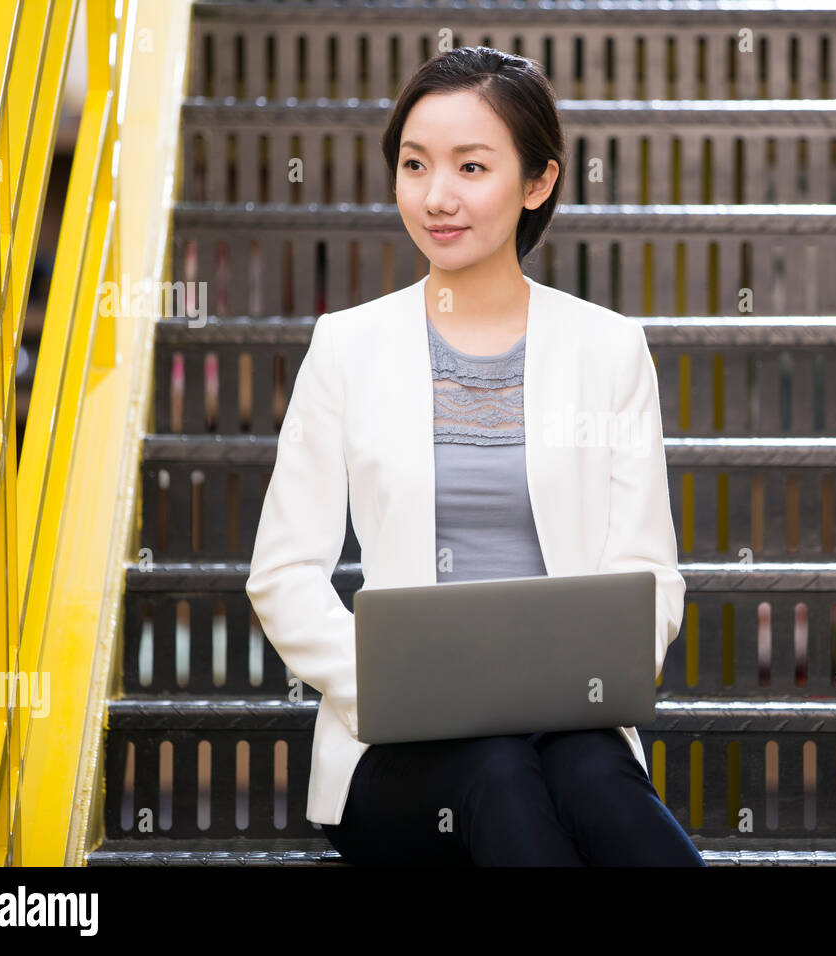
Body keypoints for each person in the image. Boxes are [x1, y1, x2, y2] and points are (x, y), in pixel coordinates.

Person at [247, 46, 704, 866]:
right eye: (415, 165)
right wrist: (389, 684)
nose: (436, 196)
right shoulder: (347, 346)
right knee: (497, 772)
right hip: (399, 750)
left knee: (599, 786)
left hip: (569, 719)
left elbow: (647, 570)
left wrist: (607, 668)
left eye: (471, 166)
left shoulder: (609, 348)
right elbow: (282, 574)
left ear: (538, 183)